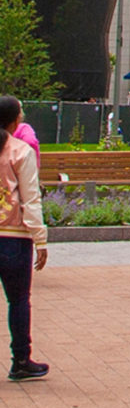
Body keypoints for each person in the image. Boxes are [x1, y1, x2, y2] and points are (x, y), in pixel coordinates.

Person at [0, 96, 49, 380]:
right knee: (18, 300)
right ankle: (21, 360)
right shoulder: (21, 150)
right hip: (14, 236)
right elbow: (31, 199)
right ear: (15, 120)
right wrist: (40, 240)